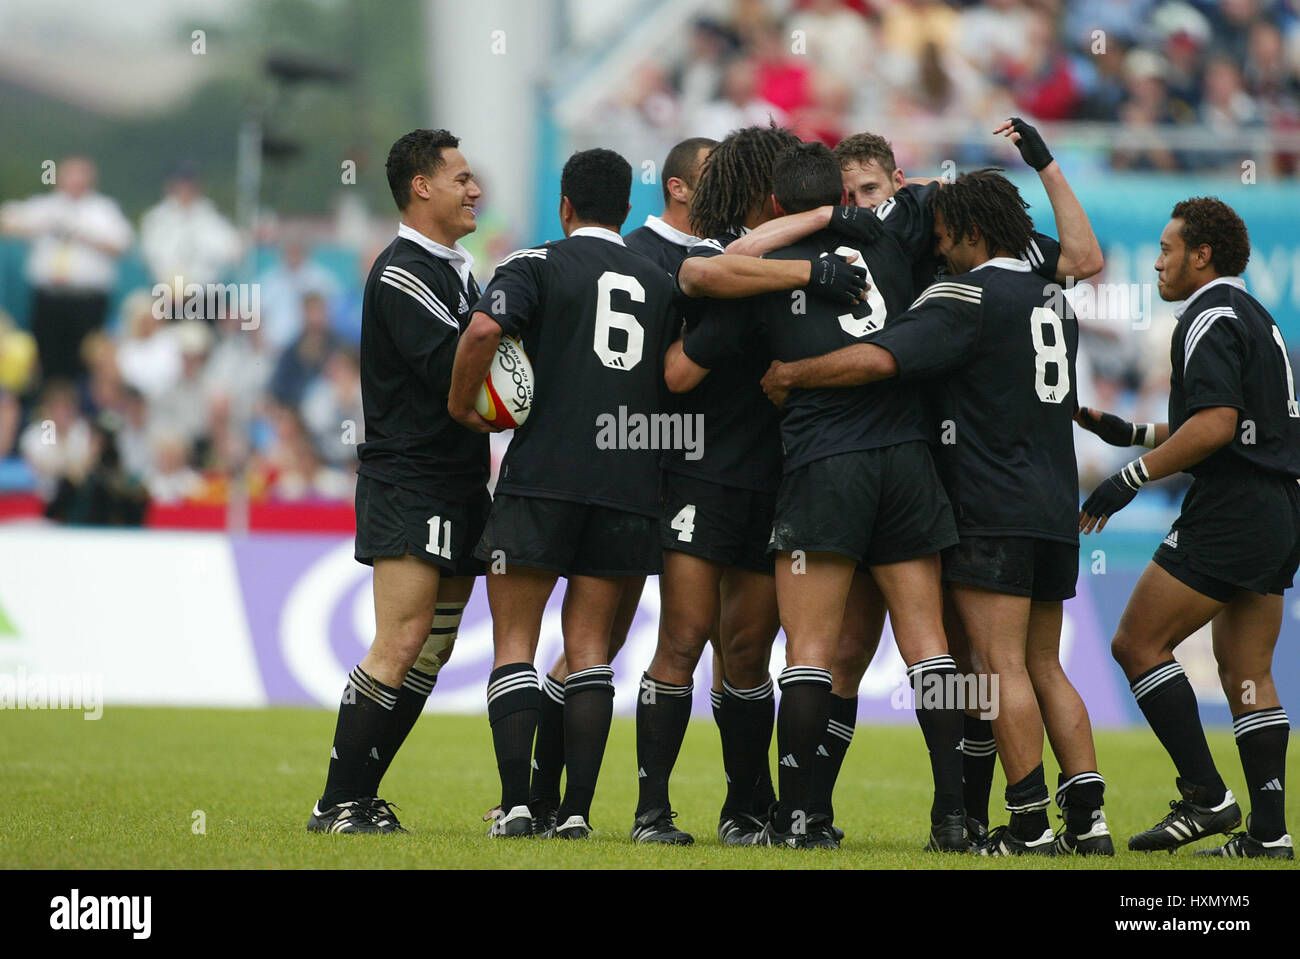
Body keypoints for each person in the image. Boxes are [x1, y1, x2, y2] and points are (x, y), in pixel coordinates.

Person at [734, 118, 1104, 841]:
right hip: (981, 485)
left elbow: (877, 359)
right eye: (845, 197)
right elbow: (1080, 261)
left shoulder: (953, 270)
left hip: (948, 483)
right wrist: (1045, 165)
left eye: (870, 191)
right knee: (885, 653)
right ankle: (1041, 818)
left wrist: (792, 374)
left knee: (977, 662)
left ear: (905, 190)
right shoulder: (993, 268)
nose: (860, 206)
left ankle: (992, 814)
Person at [635, 125, 867, 846]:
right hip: (700, 474)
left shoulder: (816, 259)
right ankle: (652, 813)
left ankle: (746, 806)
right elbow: (677, 370)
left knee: (746, 652)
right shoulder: (724, 259)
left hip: (777, 479)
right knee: (682, 637)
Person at [448, 148, 679, 840]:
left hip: (544, 475)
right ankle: (575, 811)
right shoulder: (660, 281)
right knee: (589, 649)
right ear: (627, 211)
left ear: (565, 206)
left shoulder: (535, 263)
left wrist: (463, 404)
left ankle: (518, 805)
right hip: (628, 482)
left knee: (515, 640)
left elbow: (486, 328)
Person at [751, 142, 965, 851]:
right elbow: (938, 193)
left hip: (824, 465)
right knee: (929, 648)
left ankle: (802, 818)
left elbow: (691, 356)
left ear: (780, 205)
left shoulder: (767, 266)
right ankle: (953, 817)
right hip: (907, 460)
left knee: (810, 651)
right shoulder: (890, 232)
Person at [1078, 197, 1296, 859]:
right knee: (1247, 672)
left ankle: (1207, 794)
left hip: (1232, 510)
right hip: (1280, 504)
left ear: (1202, 254)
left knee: (1137, 642)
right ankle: (1270, 831)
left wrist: (1129, 473)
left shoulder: (1206, 316)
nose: (1157, 261)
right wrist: (1138, 431)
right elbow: (1239, 419)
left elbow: (1216, 425)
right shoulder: (1251, 314)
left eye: (1168, 249)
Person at [521, 136, 718, 836]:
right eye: (711, 176)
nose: (723, 187)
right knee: (593, 642)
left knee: (677, 639)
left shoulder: (725, 257)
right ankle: (546, 799)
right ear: (675, 189)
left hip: (690, 477)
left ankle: (635, 809)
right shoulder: (640, 257)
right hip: (635, 475)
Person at [306, 129, 487, 834]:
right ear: (421, 186)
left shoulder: (459, 270)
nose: (475, 190)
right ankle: (334, 801)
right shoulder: (403, 271)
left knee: (432, 648)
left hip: (459, 480)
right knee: (402, 638)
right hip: (412, 480)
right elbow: (457, 379)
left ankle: (362, 793)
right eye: (461, 178)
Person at [0, 156, 132, 383]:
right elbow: (7, 221)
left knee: (88, 360)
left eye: (79, 175)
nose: (73, 181)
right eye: (68, 175)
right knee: (48, 360)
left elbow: (122, 244)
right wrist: (36, 226)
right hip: (49, 298)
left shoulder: (103, 210)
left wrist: (83, 234)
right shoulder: (46, 206)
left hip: (87, 301)